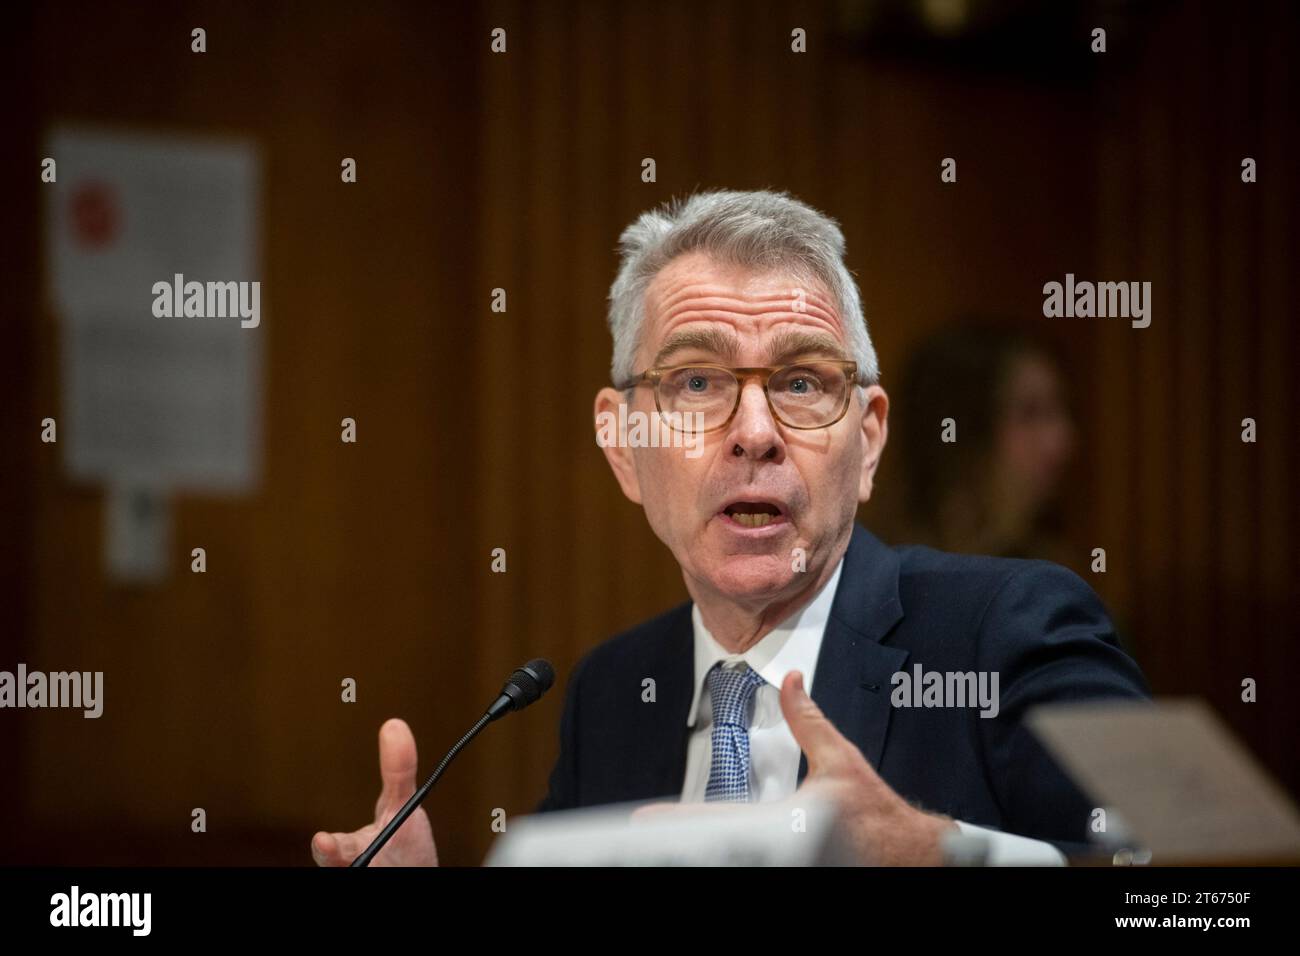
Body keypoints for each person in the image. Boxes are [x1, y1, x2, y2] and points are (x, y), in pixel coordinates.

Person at [311, 189, 1148, 867]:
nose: (754, 431)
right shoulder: (612, 693)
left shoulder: (1005, 633)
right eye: (699, 382)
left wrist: (943, 856)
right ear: (624, 445)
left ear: (869, 441)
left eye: (803, 382)